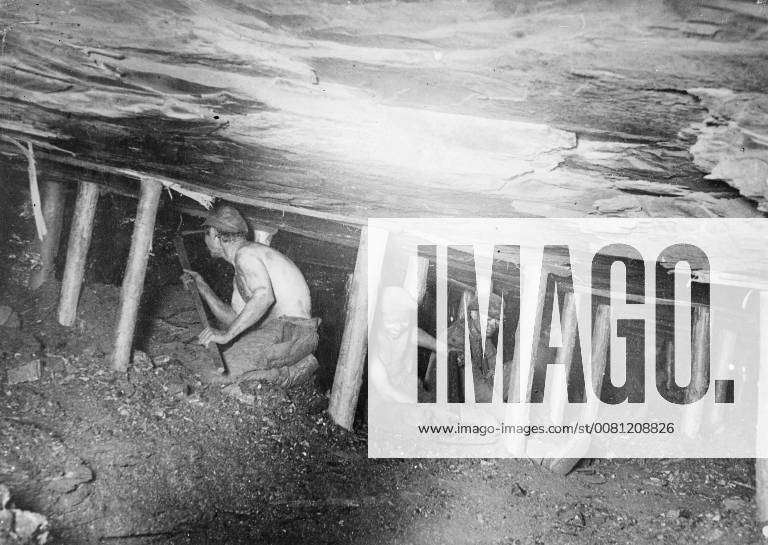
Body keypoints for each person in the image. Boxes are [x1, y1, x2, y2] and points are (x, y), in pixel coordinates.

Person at [182, 205, 320, 387]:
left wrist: (226, 337)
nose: (205, 240)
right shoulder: (242, 270)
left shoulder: (246, 254)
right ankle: (296, 367)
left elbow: (264, 297)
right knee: (223, 373)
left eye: (206, 234)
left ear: (215, 233)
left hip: (291, 330)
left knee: (215, 377)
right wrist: (202, 287)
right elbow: (234, 319)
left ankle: (289, 374)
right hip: (288, 337)